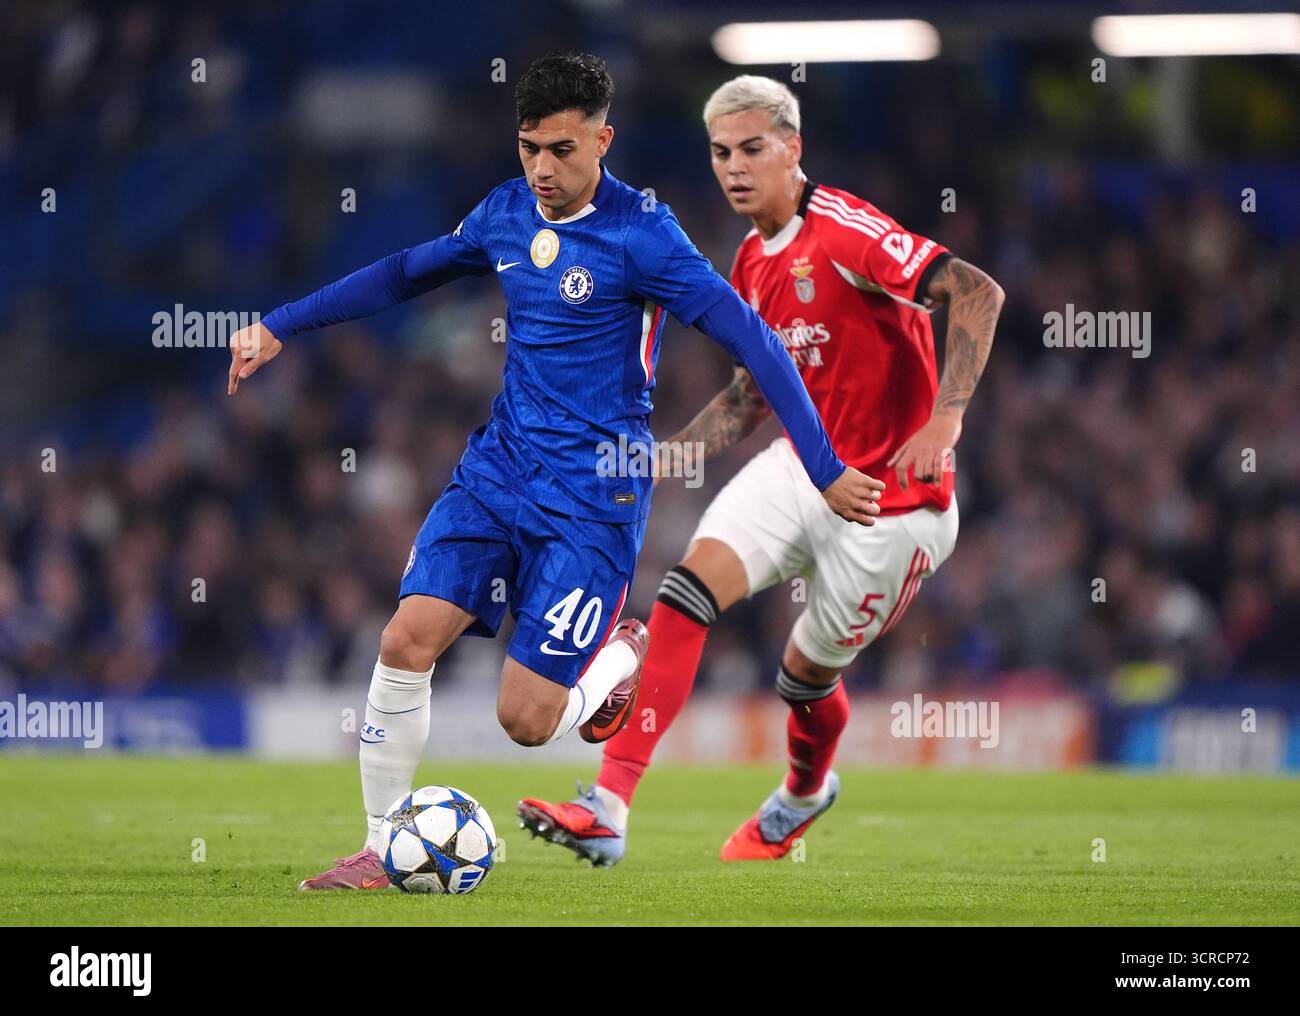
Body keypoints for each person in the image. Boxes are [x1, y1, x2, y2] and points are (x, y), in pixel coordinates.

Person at [225, 56, 884, 890]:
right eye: (529, 147)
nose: (541, 167)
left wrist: (824, 467)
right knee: (405, 638)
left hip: (591, 501)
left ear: (602, 140)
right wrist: (282, 324)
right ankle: (380, 843)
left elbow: (755, 342)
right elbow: (402, 273)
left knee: (527, 722)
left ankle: (619, 658)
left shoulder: (643, 233)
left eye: (562, 150)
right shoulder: (505, 213)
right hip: (497, 471)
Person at [518, 74, 1004, 864]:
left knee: (803, 678)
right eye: (720, 153)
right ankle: (607, 806)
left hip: (895, 503)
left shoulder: (847, 233)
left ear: (794, 149)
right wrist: (668, 456)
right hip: (803, 469)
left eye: (752, 149)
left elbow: (977, 292)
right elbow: (750, 395)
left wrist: (948, 417)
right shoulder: (750, 261)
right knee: (683, 592)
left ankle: (805, 792)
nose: (734, 167)